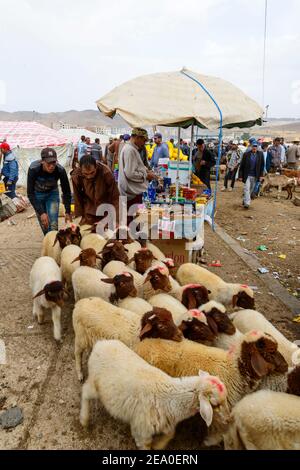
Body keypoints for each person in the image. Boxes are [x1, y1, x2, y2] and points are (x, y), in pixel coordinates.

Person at [27, 148, 72, 234]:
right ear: (42, 161)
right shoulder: (33, 169)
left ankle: (54, 245)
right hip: (37, 195)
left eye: (54, 162)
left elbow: (66, 191)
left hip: (52, 194)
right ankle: (48, 242)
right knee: (45, 225)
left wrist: (68, 211)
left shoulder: (60, 170)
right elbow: (30, 193)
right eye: (49, 163)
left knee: (53, 224)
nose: (52, 166)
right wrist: (41, 213)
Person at [71, 155, 119, 227]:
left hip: (106, 211)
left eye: (92, 172)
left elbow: (115, 197)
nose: (89, 176)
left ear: (96, 167)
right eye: (86, 174)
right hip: (89, 213)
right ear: (80, 169)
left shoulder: (106, 173)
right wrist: (80, 216)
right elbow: (77, 197)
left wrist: (117, 219)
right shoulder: (76, 175)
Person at [118, 128, 156, 216]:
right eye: (144, 140)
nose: (144, 143)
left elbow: (134, 168)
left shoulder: (131, 148)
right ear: (138, 137)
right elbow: (130, 173)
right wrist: (146, 175)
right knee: (131, 221)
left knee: (131, 220)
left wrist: (145, 170)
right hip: (130, 194)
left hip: (131, 192)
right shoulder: (130, 150)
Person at [238, 141, 264, 209]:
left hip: (255, 175)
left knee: (251, 189)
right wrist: (240, 176)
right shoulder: (246, 154)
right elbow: (242, 165)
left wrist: (261, 175)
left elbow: (262, 165)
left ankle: (245, 200)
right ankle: (247, 203)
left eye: (256, 146)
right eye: (253, 146)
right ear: (250, 147)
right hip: (247, 175)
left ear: (257, 147)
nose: (254, 148)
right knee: (246, 188)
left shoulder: (260, 154)